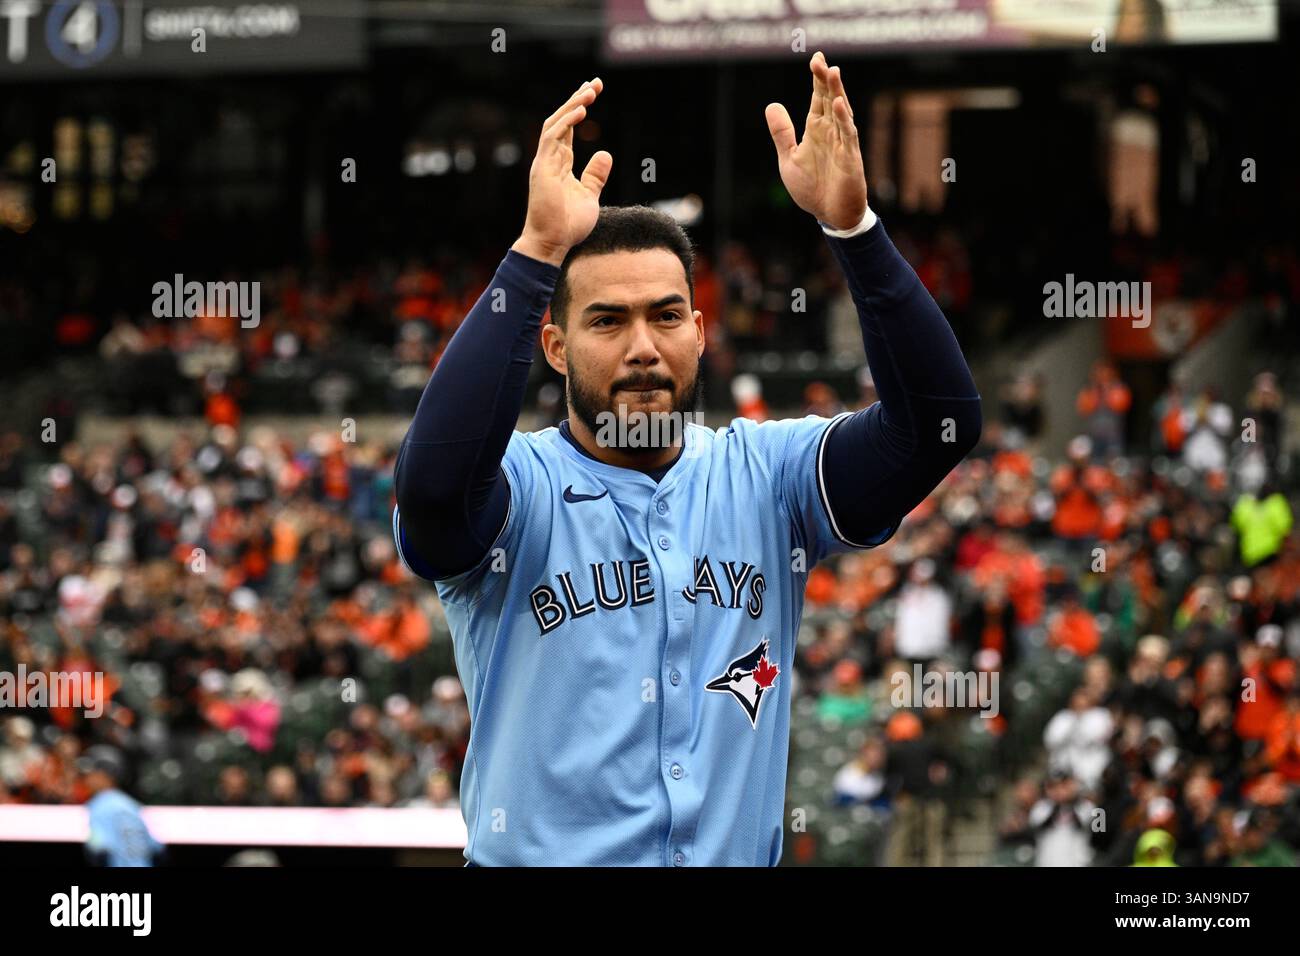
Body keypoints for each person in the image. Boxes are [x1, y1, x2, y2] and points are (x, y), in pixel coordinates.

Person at [392, 55, 981, 866]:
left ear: (700, 333)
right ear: (555, 347)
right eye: (608, 321)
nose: (643, 348)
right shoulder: (518, 491)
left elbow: (940, 426)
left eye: (667, 315)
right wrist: (533, 253)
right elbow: (431, 490)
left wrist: (855, 231)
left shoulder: (768, 476)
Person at [81, 746, 165, 868]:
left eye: (92, 773)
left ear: (105, 774)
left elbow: (99, 850)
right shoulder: (132, 806)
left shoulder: (99, 806)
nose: (86, 778)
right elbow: (159, 850)